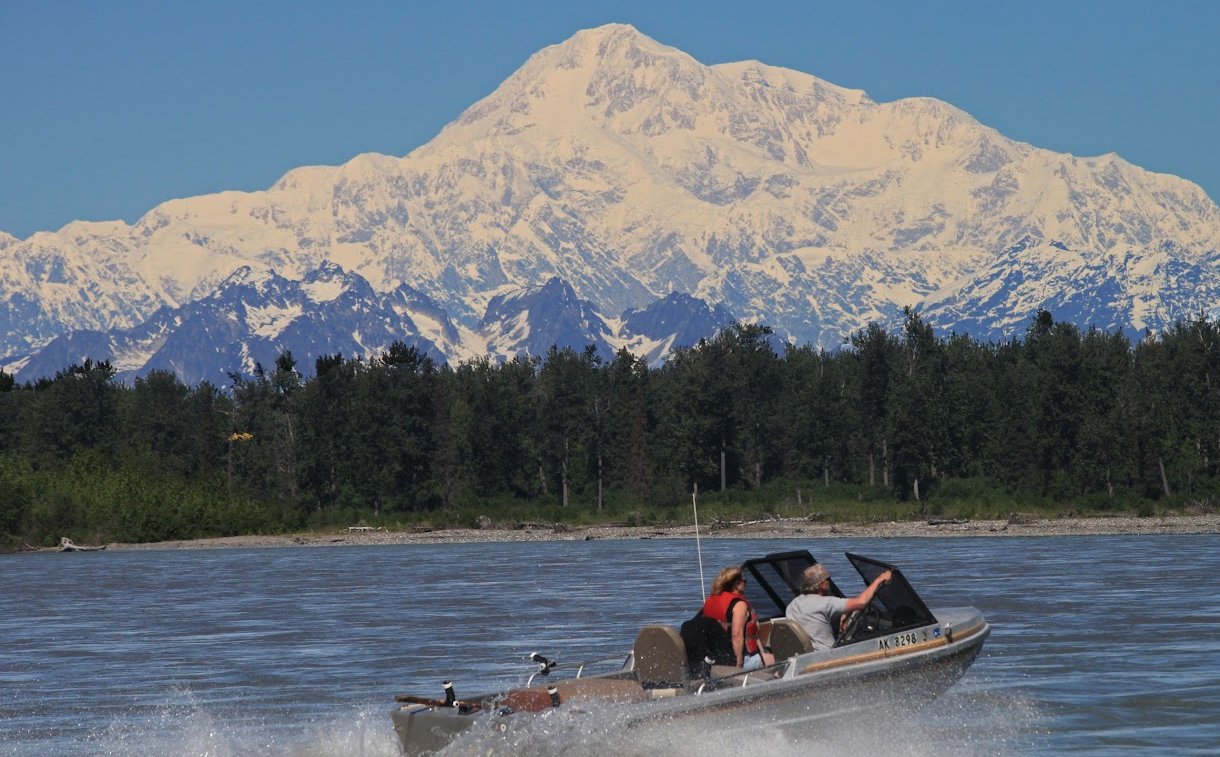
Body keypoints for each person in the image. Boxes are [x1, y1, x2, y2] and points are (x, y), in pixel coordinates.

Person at [785, 564, 893, 651]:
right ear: (822, 584)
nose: (829, 583)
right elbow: (861, 602)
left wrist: (845, 612)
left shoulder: (792, 605)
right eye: (828, 580)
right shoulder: (826, 603)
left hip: (804, 656)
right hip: (827, 656)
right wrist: (879, 579)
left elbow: (814, 620)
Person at [700, 565, 775, 671]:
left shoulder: (710, 601)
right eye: (744, 580)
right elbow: (737, 636)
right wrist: (738, 664)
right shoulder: (739, 605)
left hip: (718, 657)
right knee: (781, 661)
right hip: (741, 658)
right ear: (737, 584)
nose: (746, 583)